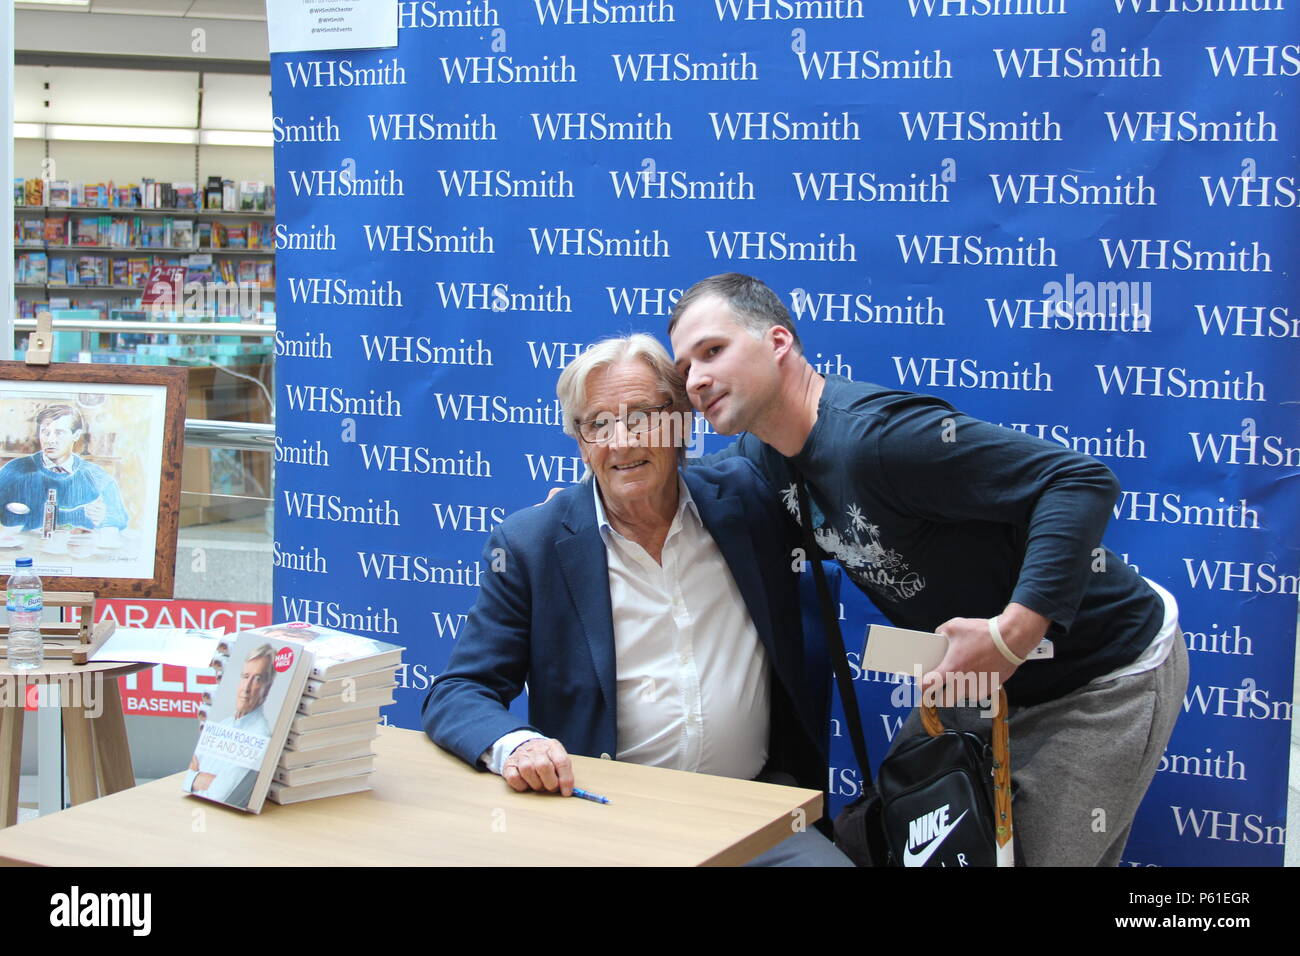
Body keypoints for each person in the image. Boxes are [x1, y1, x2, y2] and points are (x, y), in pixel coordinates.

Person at [668, 272, 1188, 867]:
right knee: (903, 841)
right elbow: (674, 495)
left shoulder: (878, 439)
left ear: (779, 342)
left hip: (1098, 674)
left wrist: (1010, 635)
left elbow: (1078, 481)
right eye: (683, 369)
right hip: (979, 674)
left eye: (712, 351)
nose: (696, 379)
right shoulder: (764, 457)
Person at [422, 334, 851, 866]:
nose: (621, 443)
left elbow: (839, 454)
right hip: (604, 824)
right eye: (597, 424)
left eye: (641, 416)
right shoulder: (532, 546)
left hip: (753, 811)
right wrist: (518, 745)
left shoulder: (748, 498)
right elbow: (460, 690)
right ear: (580, 441)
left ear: (681, 423)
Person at [0, 404, 129, 532]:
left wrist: (104, 517)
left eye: (59, 432)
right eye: (45, 432)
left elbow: (120, 519)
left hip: (77, 551)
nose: (50, 440)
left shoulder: (95, 475)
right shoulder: (15, 470)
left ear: (76, 435)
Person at [183, 643, 277, 807]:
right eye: (245, 676)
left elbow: (218, 797)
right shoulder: (223, 724)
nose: (246, 688)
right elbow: (188, 782)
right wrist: (198, 779)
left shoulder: (260, 735)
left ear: (267, 687)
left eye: (257, 679)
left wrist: (194, 777)